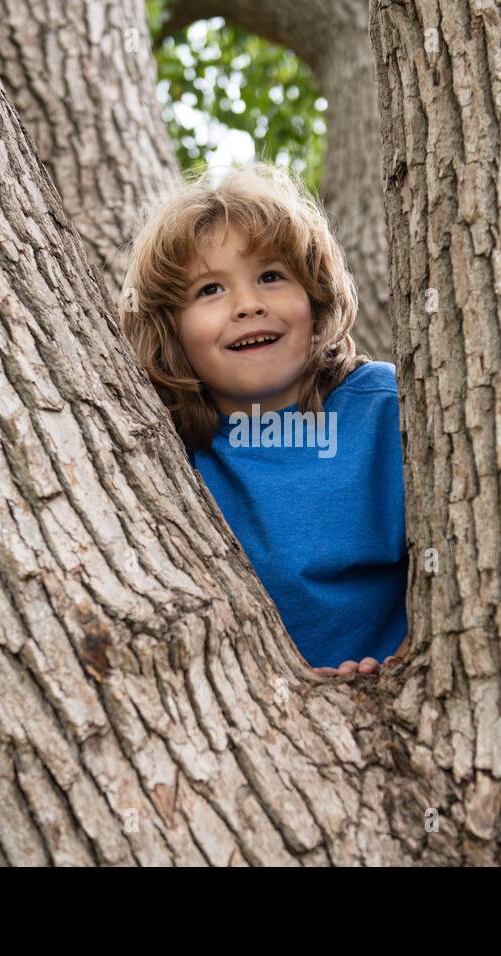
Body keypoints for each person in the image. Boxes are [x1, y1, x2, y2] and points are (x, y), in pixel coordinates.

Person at [117, 162, 410, 677]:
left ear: (313, 300)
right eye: (210, 290)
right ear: (172, 330)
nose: (248, 305)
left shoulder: (385, 409)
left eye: (271, 277)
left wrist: (408, 664)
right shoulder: (167, 452)